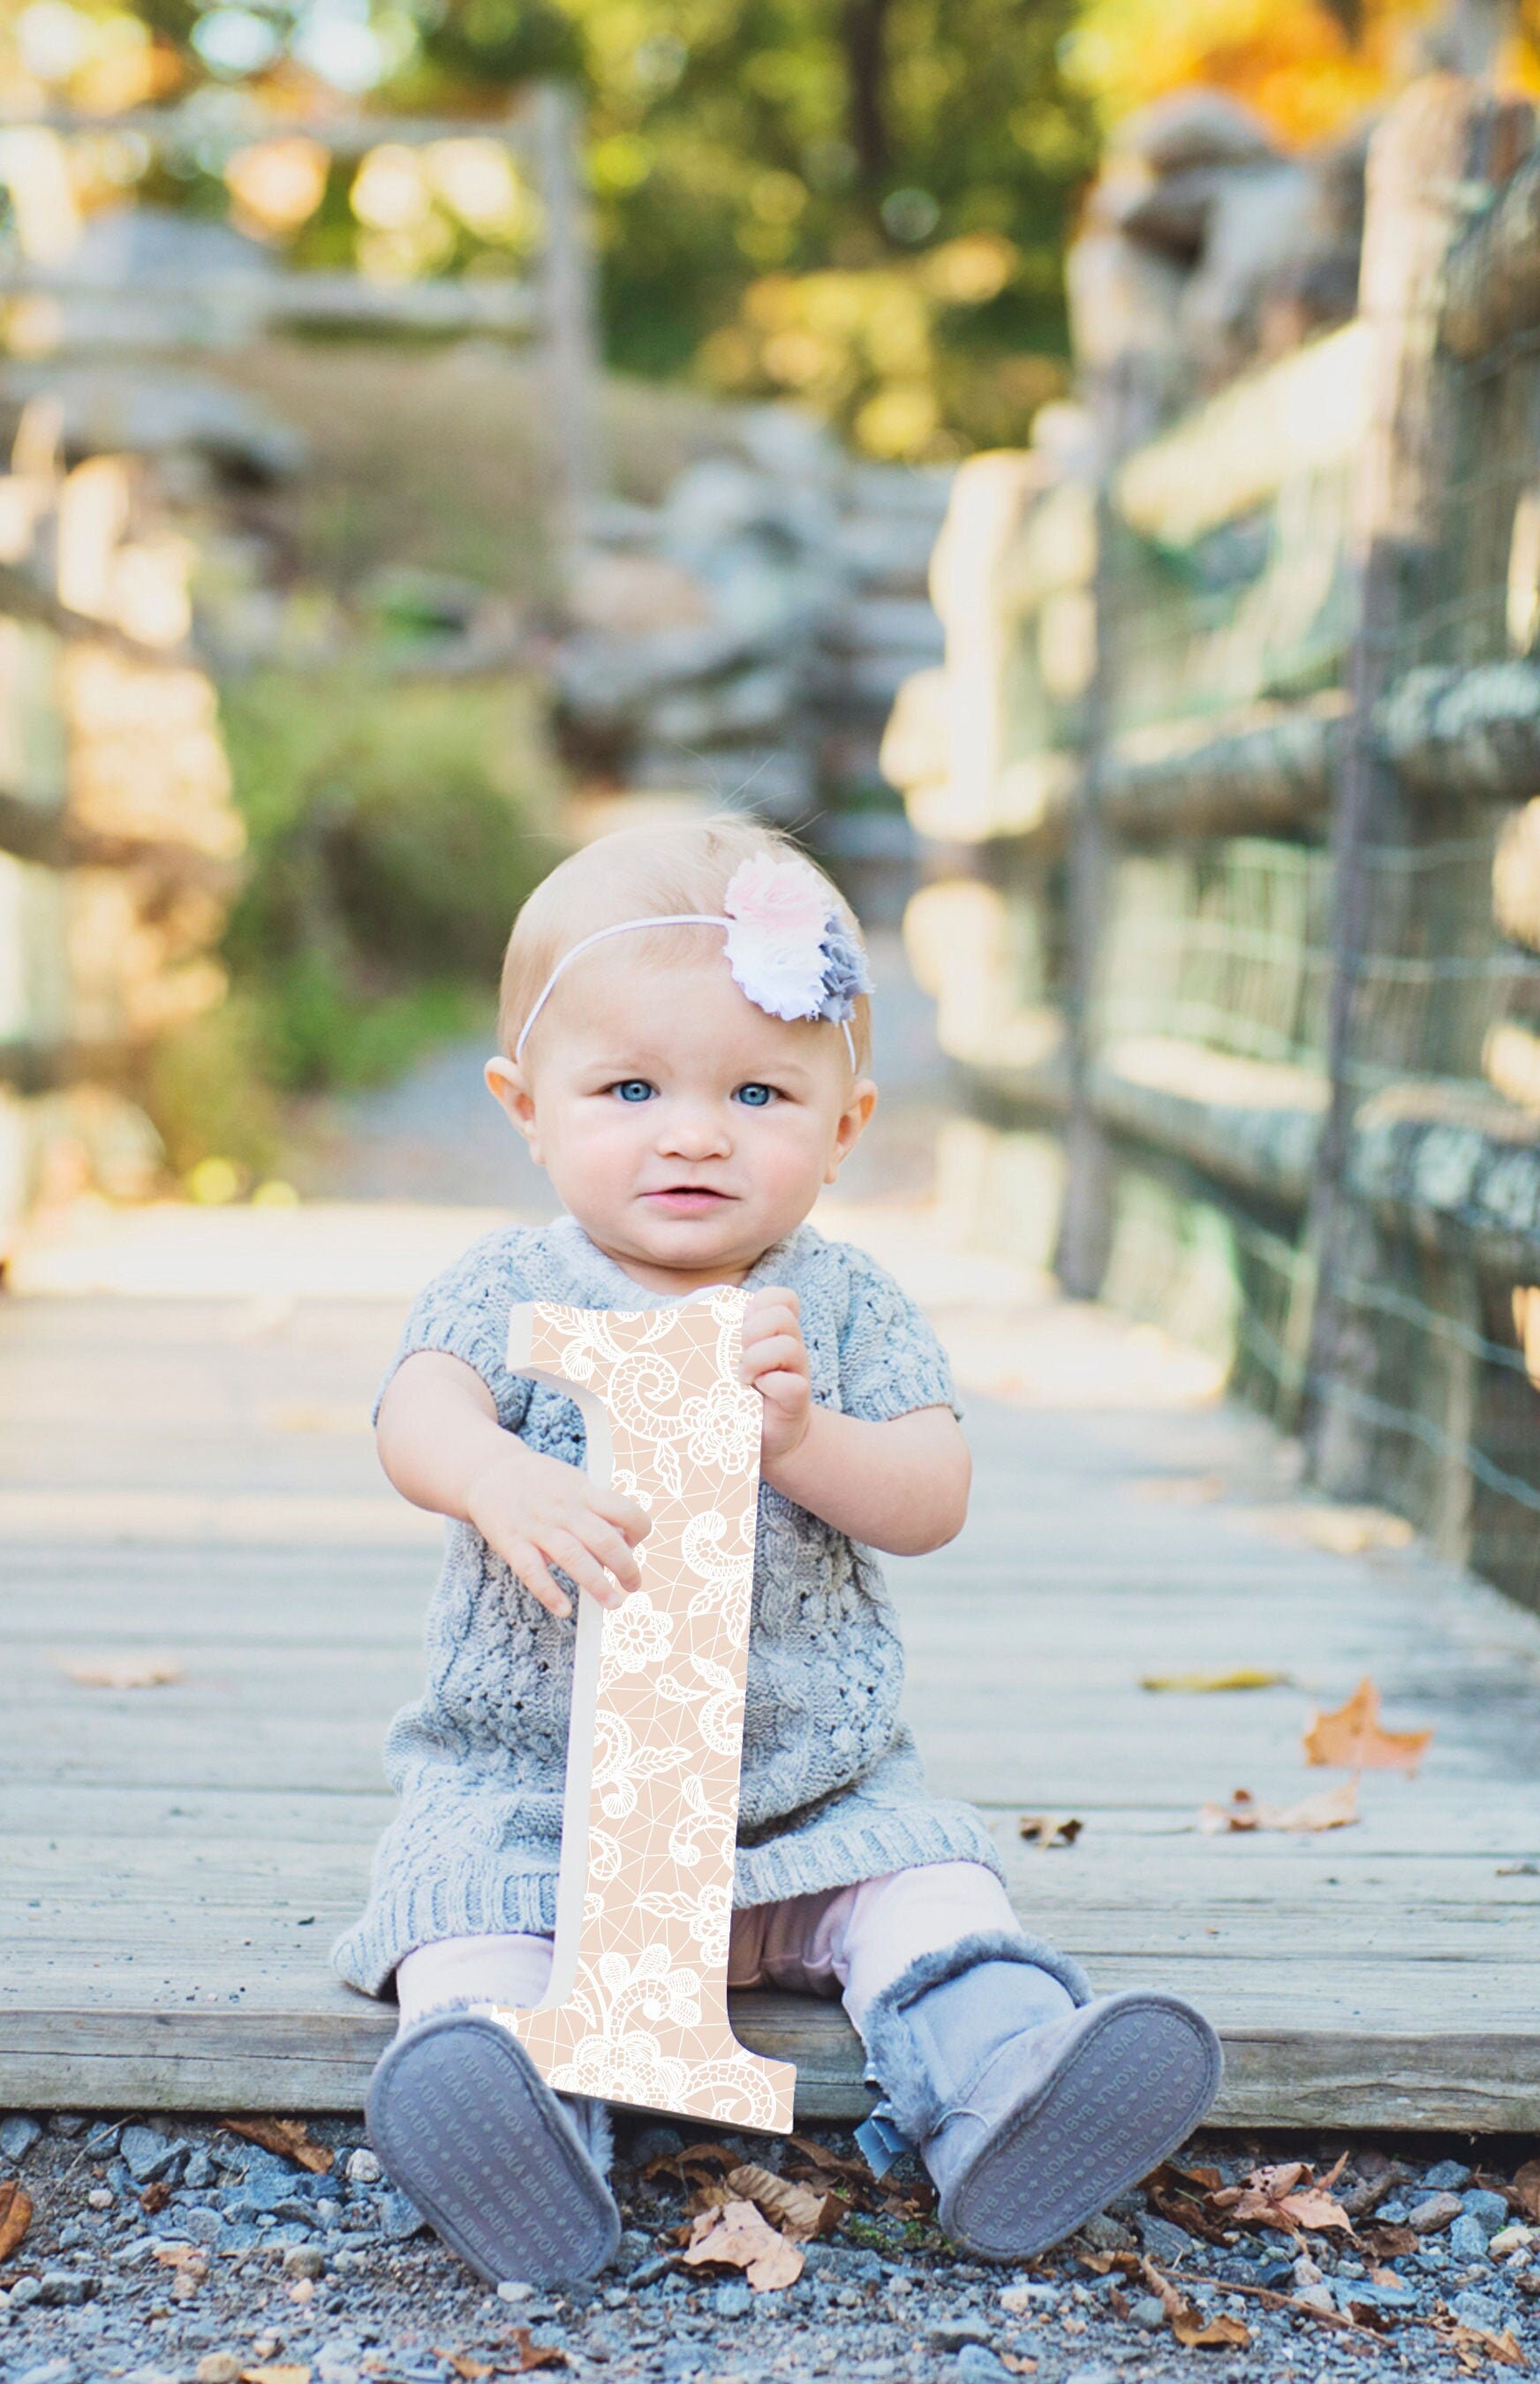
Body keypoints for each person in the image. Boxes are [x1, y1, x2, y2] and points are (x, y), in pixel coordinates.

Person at [333, 816, 1220, 2287]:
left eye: (758, 1091)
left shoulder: (847, 1306)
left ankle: (1004, 2089)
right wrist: (493, 1472)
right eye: (629, 1088)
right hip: (535, 1804)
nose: (693, 1131)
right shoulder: (504, 1281)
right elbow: (413, 1410)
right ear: (525, 1106)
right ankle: (517, 2127)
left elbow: (933, 1492)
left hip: (810, 1798)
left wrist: (805, 1441)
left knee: (935, 1892)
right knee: (473, 1935)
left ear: (845, 1124)